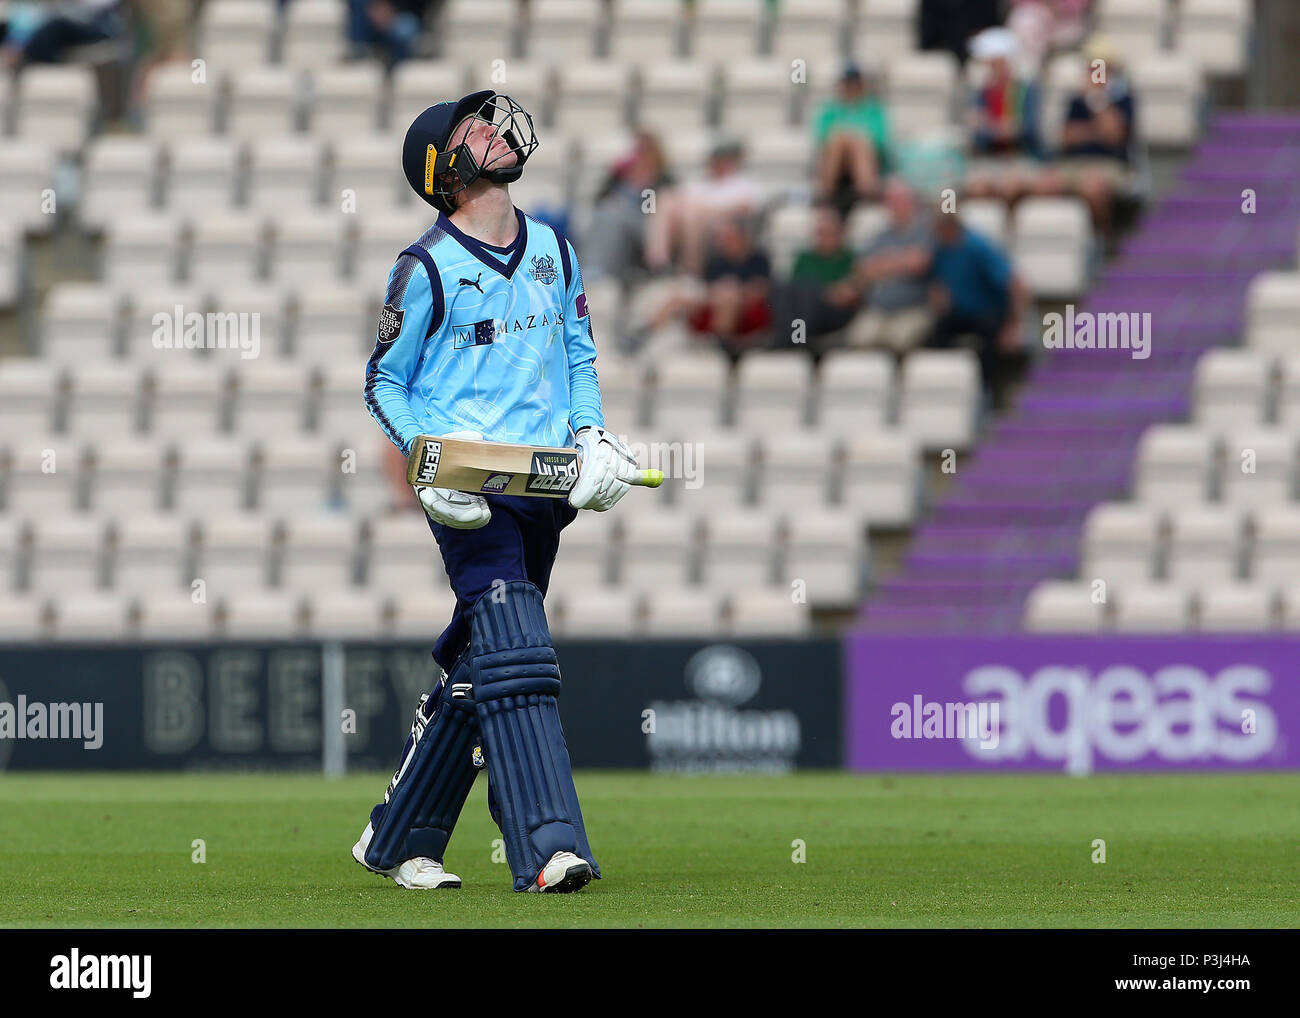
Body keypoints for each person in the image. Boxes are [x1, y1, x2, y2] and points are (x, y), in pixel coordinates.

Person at [355, 90, 645, 894]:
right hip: (468, 488)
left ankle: (398, 835)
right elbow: (383, 383)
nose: (492, 128)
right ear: (445, 170)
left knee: (486, 664)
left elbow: (579, 353)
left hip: (544, 482)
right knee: (520, 652)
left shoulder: (553, 245)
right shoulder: (424, 268)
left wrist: (590, 435)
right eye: (471, 128)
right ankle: (550, 848)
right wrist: (427, 465)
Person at [1038, 34, 1136, 231]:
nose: (1093, 72)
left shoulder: (1123, 98)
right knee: (1044, 186)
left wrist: (1097, 98)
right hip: (1072, 163)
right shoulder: (1075, 100)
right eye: (1091, 67)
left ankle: (1099, 242)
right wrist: (1096, 130)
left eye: (1098, 67)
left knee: (1093, 188)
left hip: (1108, 165)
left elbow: (1114, 135)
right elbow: (1066, 138)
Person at [926, 211, 1028, 397]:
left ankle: (990, 394)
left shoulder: (978, 247)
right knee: (934, 338)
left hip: (989, 313)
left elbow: (1014, 284)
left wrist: (1013, 324)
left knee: (988, 349)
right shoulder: (941, 249)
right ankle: (946, 388)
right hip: (960, 314)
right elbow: (938, 282)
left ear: (950, 229)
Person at [645, 138, 762, 275]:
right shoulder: (699, 182)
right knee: (665, 199)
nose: (718, 164)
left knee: (692, 213)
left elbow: (745, 207)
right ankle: (658, 261)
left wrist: (704, 209)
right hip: (687, 221)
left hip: (723, 227)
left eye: (724, 159)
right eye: (716, 159)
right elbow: (680, 200)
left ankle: (690, 270)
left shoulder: (743, 184)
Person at [847, 179, 933, 354]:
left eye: (899, 200)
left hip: (912, 310)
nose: (894, 206)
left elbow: (919, 263)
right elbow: (863, 269)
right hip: (878, 310)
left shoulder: (926, 231)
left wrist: (882, 264)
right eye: (890, 201)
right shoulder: (881, 236)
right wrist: (902, 261)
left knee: (898, 341)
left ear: (912, 202)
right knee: (858, 339)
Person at [963, 26, 1044, 204]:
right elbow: (978, 135)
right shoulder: (982, 94)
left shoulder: (1025, 91)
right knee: (976, 187)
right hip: (990, 160)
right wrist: (1002, 128)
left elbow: (1027, 129)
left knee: (1011, 186)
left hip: (1021, 159)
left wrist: (992, 126)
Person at [772, 205, 860, 350]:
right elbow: (794, 289)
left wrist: (826, 293)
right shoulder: (805, 257)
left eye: (829, 233)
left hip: (832, 312)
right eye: (820, 234)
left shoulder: (849, 259)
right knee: (784, 289)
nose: (824, 238)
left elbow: (850, 291)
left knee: (809, 293)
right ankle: (794, 336)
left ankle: (795, 338)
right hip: (805, 309)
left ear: (840, 234)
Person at [812, 63, 891, 208]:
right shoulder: (830, 110)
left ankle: (865, 189)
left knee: (855, 141)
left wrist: (851, 138)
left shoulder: (874, 109)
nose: (851, 87)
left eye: (854, 83)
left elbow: (879, 141)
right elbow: (823, 139)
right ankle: (830, 190)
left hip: (865, 158)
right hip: (838, 162)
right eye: (848, 83)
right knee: (839, 140)